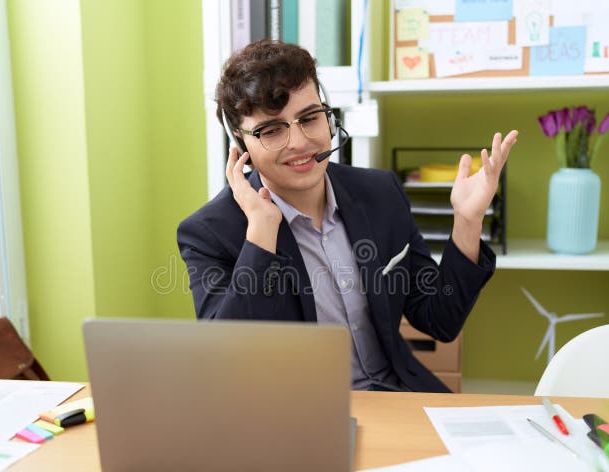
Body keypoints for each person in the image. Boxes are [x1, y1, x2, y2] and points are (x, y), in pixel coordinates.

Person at [177, 40, 517, 392]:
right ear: (240, 141)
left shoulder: (380, 193)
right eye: (272, 130)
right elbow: (229, 364)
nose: (300, 142)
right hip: (297, 418)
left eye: (310, 118)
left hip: (397, 398)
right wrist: (261, 234)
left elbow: (440, 320)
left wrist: (467, 221)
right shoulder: (209, 233)